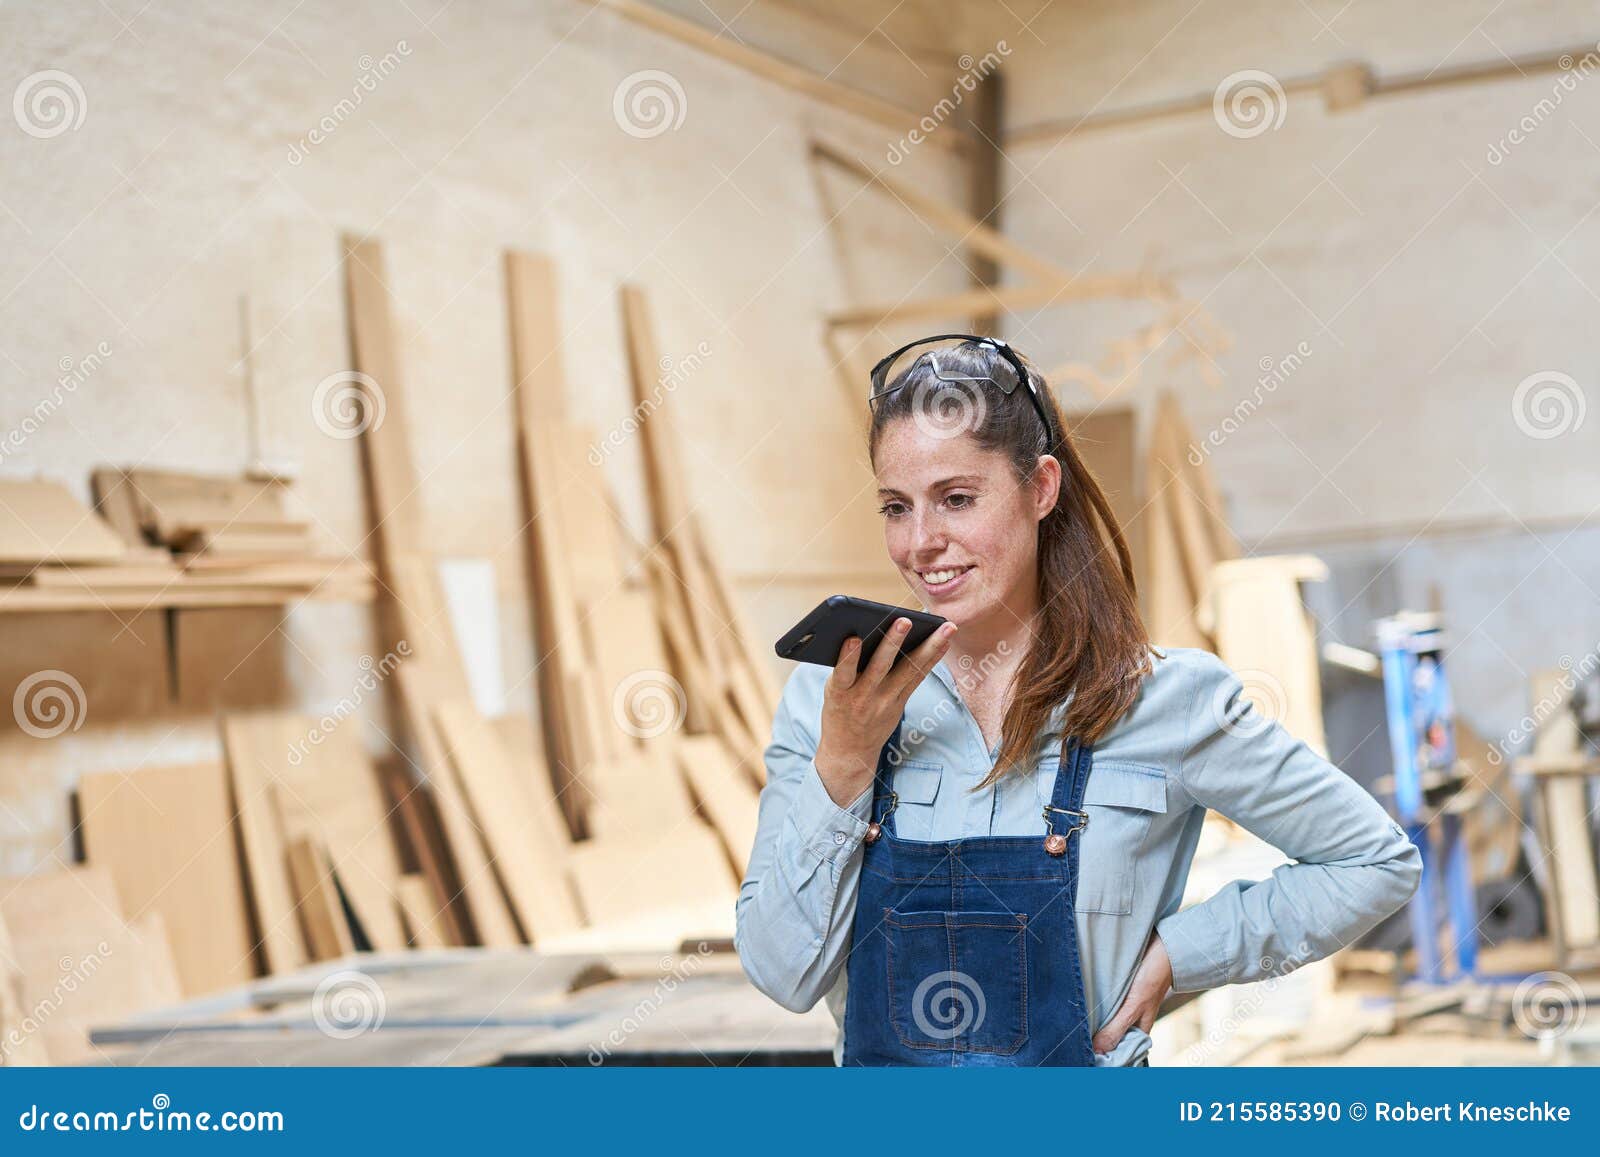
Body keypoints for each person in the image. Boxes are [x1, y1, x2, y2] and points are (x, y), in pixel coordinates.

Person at [734, 335, 1421, 1067]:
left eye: (957, 499)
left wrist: (1180, 956)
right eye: (896, 507)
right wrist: (844, 762)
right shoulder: (832, 699)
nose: (921, 542)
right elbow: (784, 973)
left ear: (1041, 488)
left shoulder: (1166, 701)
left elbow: (1372, 861)